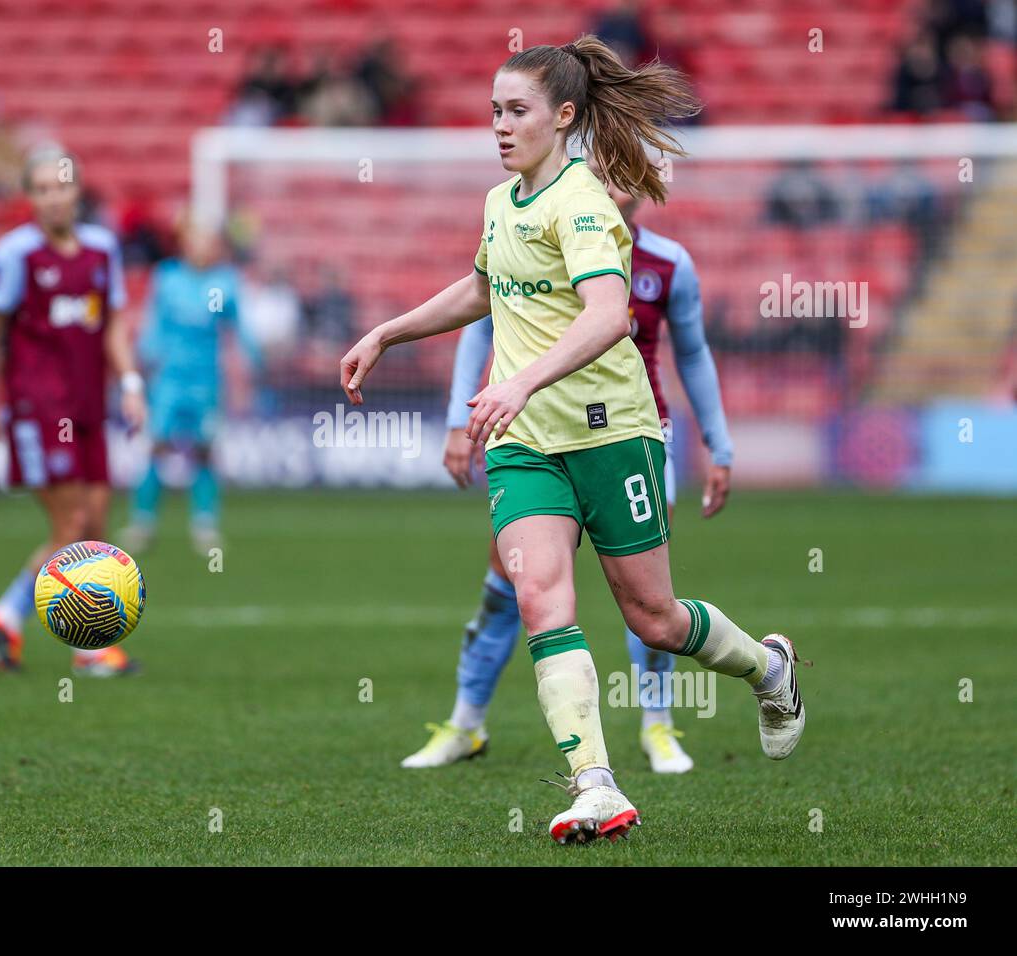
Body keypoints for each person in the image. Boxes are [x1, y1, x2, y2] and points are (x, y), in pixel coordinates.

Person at [339, 35, 805, 844]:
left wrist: (518, 379)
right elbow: (485, 287)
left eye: (516, 111)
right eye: (493, 111)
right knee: (539, 599)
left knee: (654, 620)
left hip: (612, 433)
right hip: (526, 446)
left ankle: (770, 669)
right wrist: (389, 332)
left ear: (563, 116)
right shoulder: (501, 201)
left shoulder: (584, 203)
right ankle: (595, 783)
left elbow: (607, 314)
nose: (500, 125)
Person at [406, 174, 734, 775]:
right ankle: (465, 722)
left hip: (634, 437)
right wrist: (460, 417)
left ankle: (658, 725)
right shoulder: (540, 231)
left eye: (624, 176)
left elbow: (691, 350)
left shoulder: (667, 263)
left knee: (647, 603)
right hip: (534, 431)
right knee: (513, 585)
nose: (608, 186)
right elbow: (481, 311)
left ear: (646, 187)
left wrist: (718, 442)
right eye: (601, 172)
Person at [0, 146, 145, 678]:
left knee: (94, 524)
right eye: (41, 189)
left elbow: (112, 324)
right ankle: (82, 646)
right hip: (38, 406)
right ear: (30, 196)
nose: (52, 198)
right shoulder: (16, 254)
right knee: (70, 522)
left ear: (77, 191)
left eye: (61, 187)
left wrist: (131, 383)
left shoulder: (101, 250)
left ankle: (7, 618)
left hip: (90, 403)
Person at [120, 221, 264, 555]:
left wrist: (254, 362)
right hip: (169, 379)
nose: (201, 247)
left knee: (204, 452)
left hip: (206, 381)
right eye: (195, 240)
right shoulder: (167, 277)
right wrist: (143, 359)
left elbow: (238, 327)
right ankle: (143, 523)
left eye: (207, 240)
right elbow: (154, 323)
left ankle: (204, 525)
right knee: (156, 446)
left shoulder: (225, 281)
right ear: (184, 243)